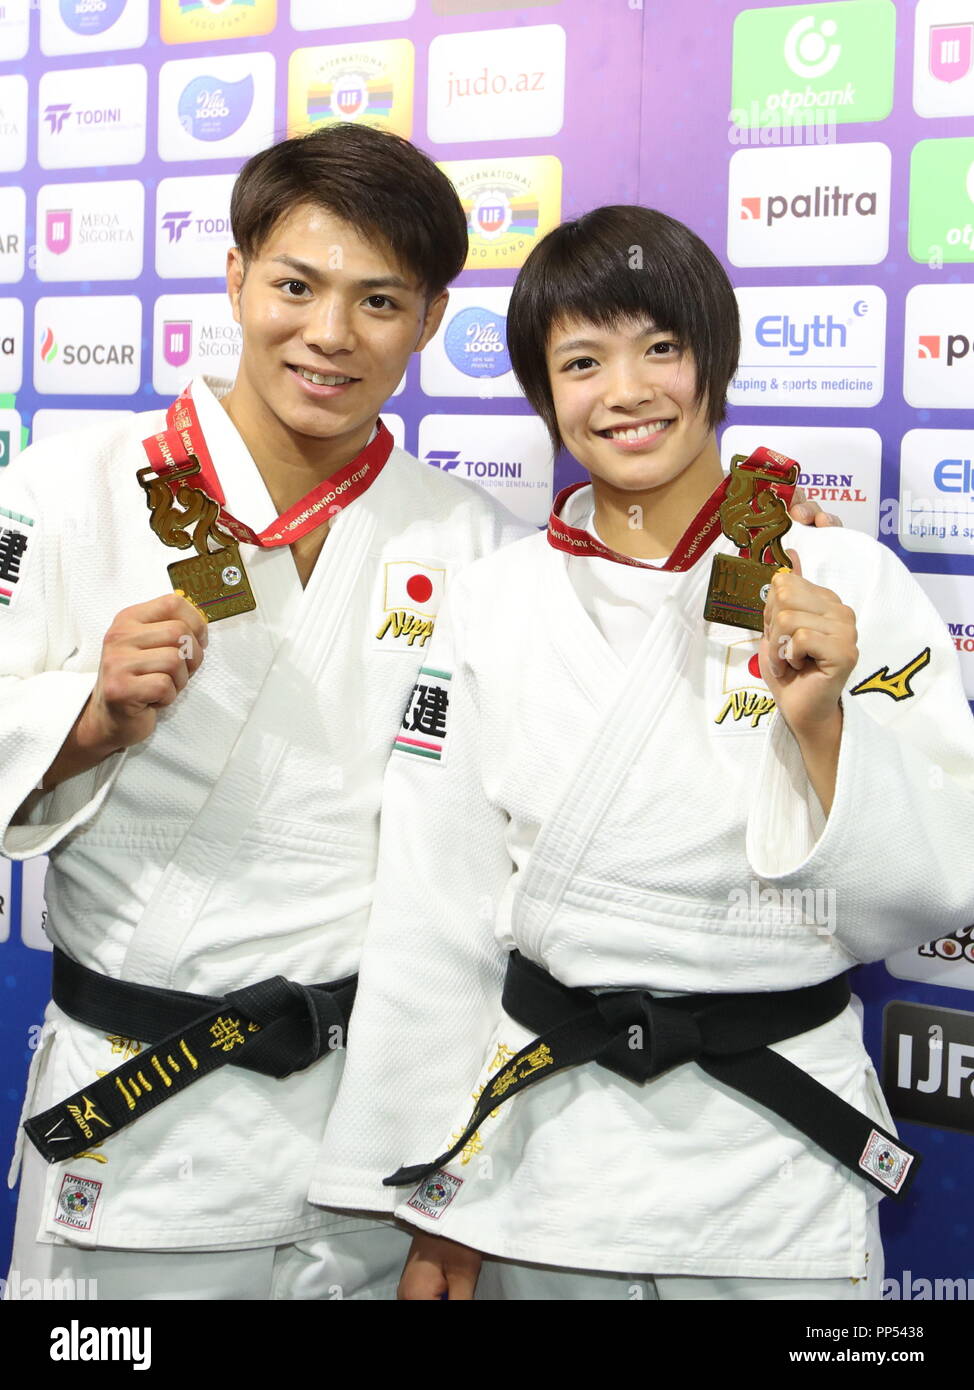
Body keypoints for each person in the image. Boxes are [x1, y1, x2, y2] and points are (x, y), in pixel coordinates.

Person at [310, 205, 974, 1300]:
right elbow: (435, 912)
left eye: (660, 348)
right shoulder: (490, 603)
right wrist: (434, 1190)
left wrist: (822, 725)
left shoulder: (841, 584)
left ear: (711, 360)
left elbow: (938, 881)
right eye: (582, 360)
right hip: (548, 1160)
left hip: (777, 1164)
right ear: (542, 393)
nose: (625, 390)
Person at [0, 123, 538, 1302]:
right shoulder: (67, 487)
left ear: (431, 319)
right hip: (147, 1123)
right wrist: (85, 717)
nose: (330, 335)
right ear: (237, 276)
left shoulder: (470, 541)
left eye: (380, 301)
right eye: (296, 285)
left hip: (379, 1132)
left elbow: (505, 868)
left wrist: (469, 1167)